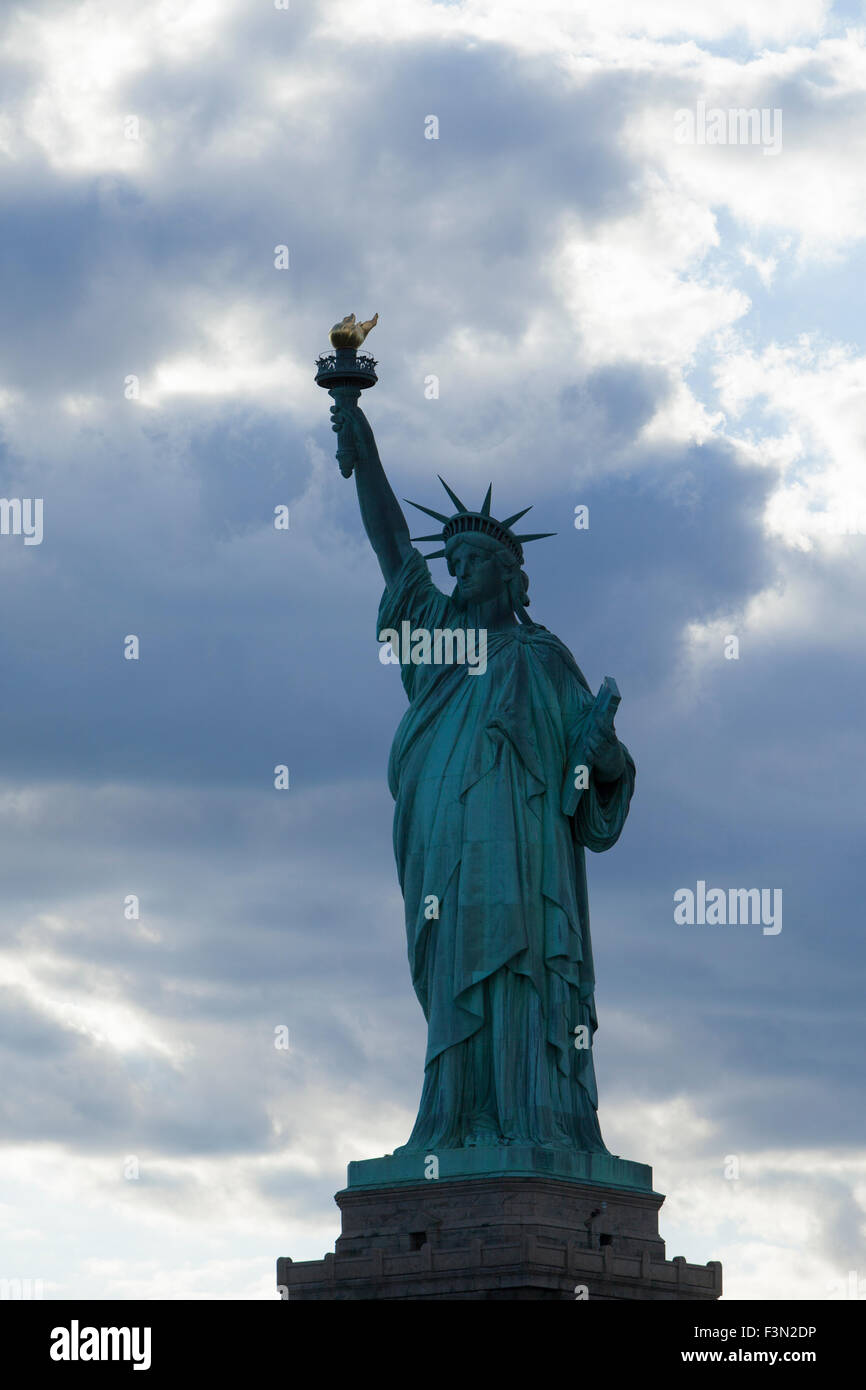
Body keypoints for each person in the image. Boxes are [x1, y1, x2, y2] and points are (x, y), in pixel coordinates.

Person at [331, 397, 635, 1152]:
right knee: (453, 974)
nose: (457, 573)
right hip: (446, 843)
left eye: (472, 563)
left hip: (528, 860)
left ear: (510, 579)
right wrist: (359, 440)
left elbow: (598, 782)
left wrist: (601, 755)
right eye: (453, 563)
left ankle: (535, 1122)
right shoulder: (435, 645)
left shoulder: (543, 659)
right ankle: (454, 1123)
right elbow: (392, 546)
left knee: (524, 972)